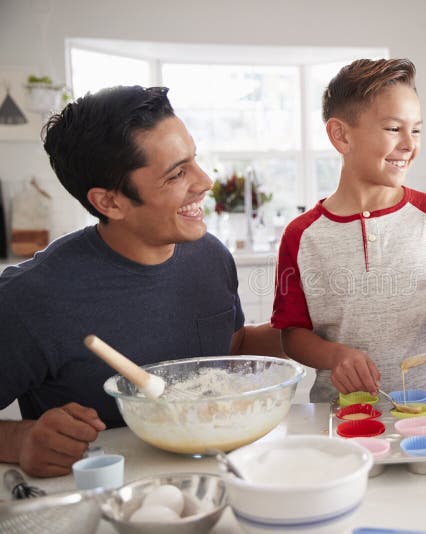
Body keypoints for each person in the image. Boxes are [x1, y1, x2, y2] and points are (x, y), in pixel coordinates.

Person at [0, 86, 283, 477]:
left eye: (194, 160)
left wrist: (318, 331)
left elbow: (231, 347)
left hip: (219, 479)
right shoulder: (31, 298)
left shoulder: (210, 255)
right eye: (177, 173)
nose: (204, 182)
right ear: (110, 202)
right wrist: (19, 441)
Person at [271, 58, 426, 401]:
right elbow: (292, 335)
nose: (409, 144)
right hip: (342, 413)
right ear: (341, 135)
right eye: (394, 129)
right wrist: (336, 356)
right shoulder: (302, 235)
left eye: (416, 130)